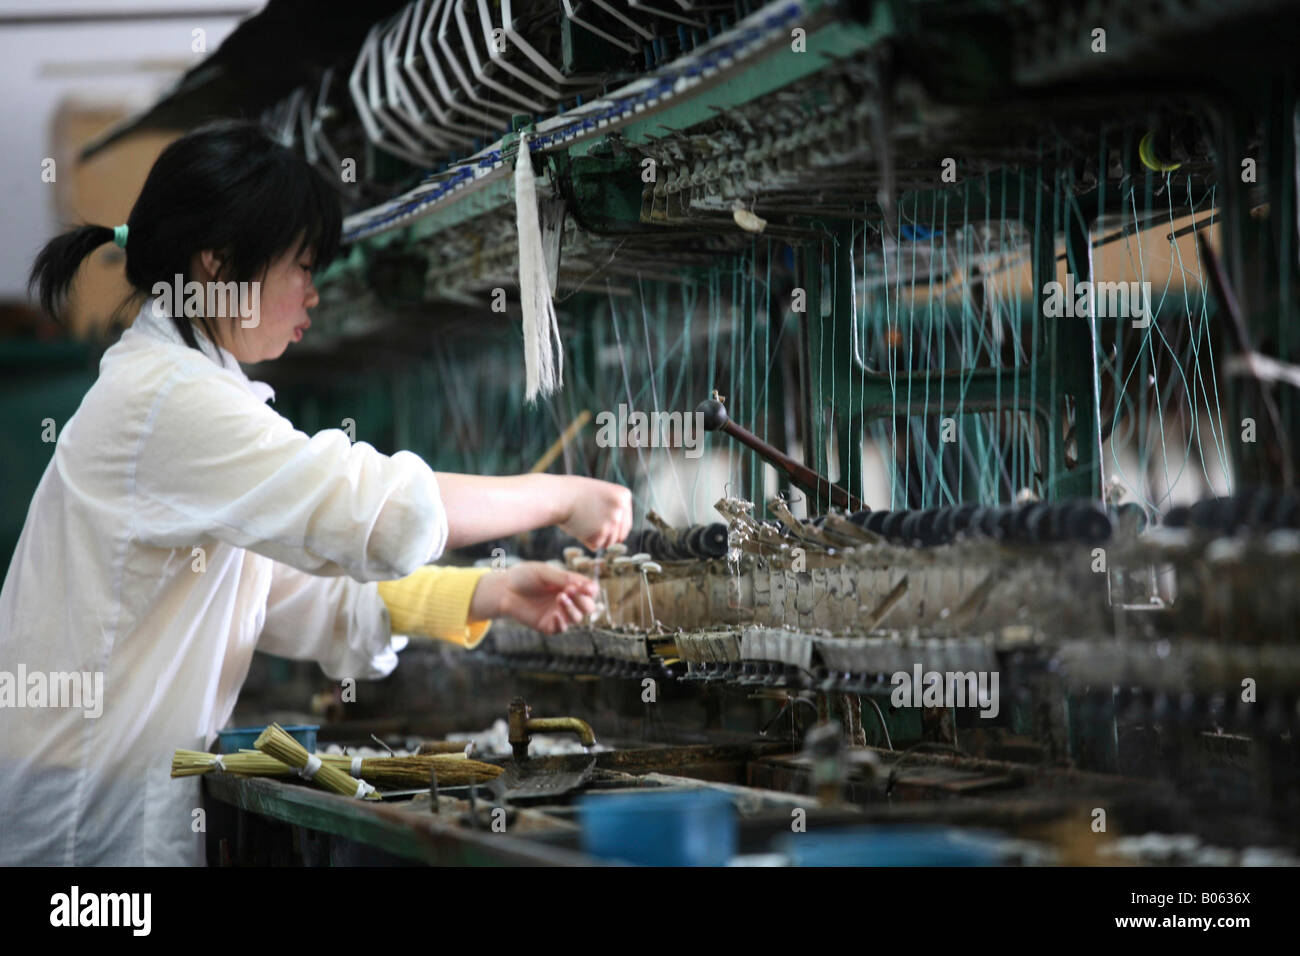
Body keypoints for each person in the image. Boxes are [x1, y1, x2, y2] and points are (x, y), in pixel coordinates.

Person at [0, 120, 631, 866]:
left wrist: (487, 594)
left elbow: (292, 596)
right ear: (218, 265)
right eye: (301, 266)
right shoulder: (169, 400)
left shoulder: (191, 390)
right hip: (81, 821)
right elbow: (385, 513)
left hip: (94, 793)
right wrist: (558, 496)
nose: (314, 293)